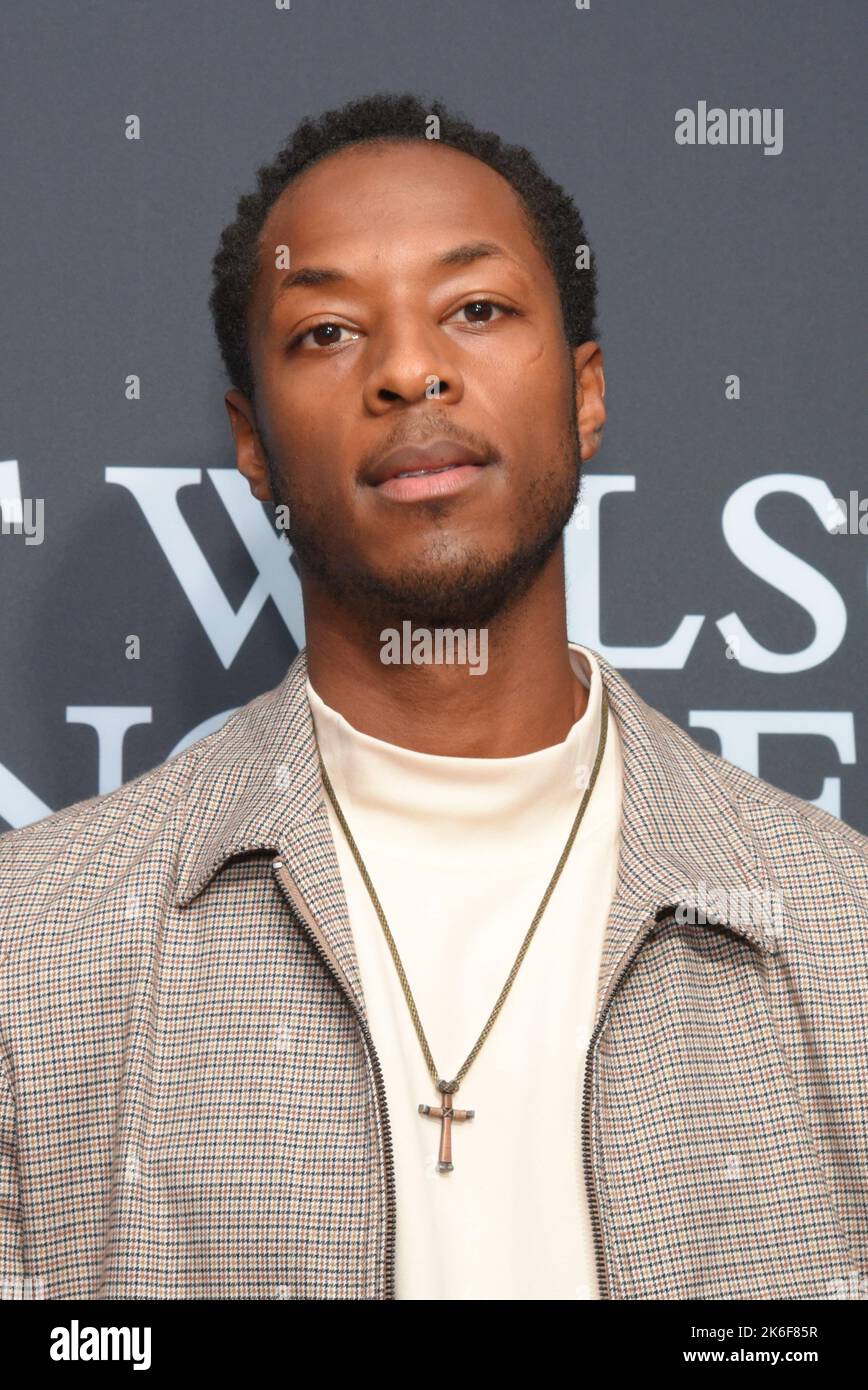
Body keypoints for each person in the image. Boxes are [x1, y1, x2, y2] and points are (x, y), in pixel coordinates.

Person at [1, 92, 866, 1302]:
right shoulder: (32, 952)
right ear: (251, 446)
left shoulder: (837, 934)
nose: (411, 370)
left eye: (475, 309)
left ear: (586, 392)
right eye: (328, 332)